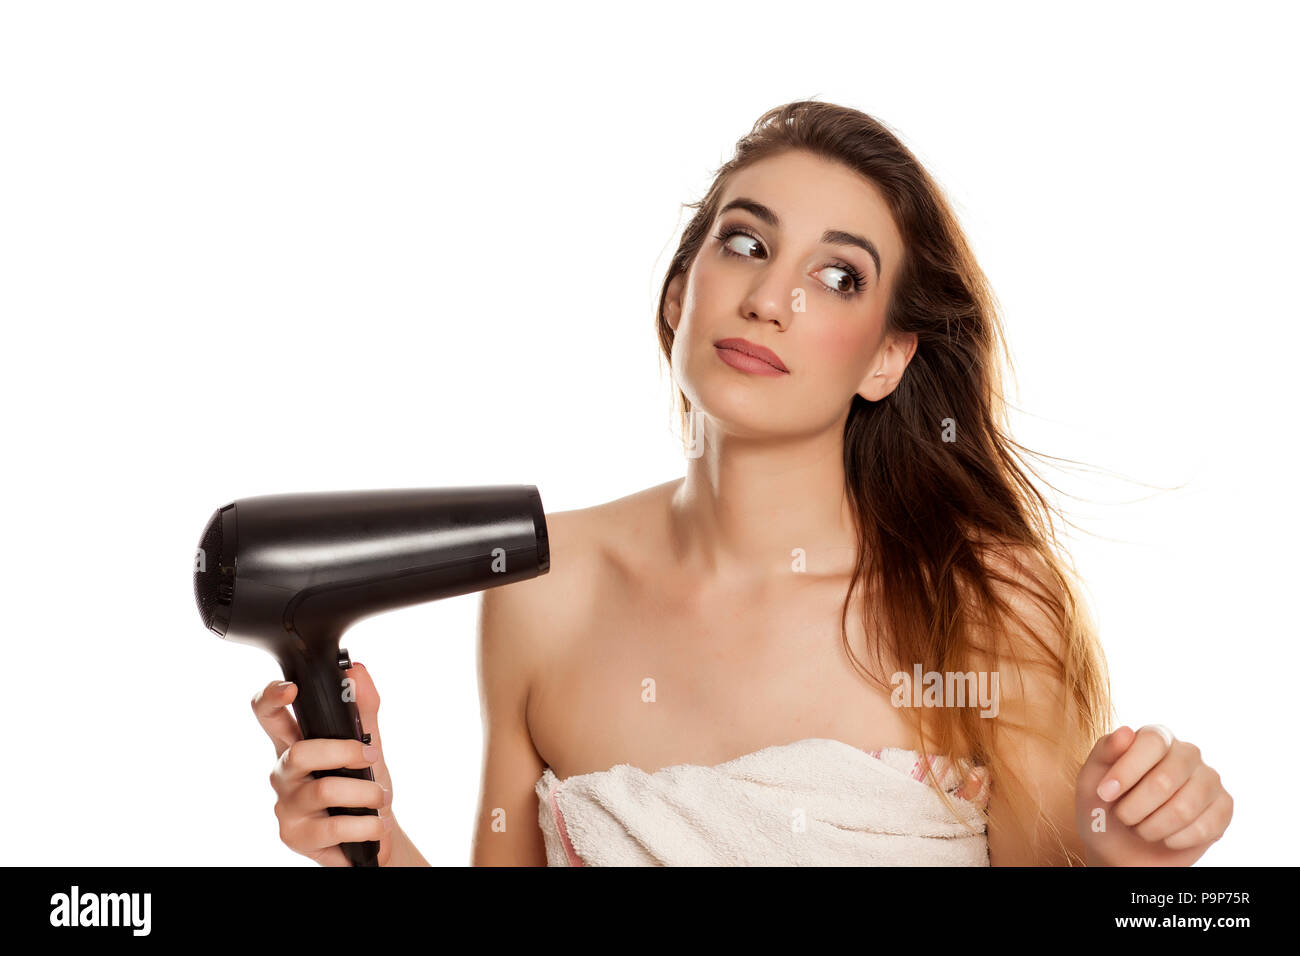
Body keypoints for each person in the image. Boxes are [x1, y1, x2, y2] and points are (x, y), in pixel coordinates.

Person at [252, 100, 1233, 866]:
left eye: (839, 276)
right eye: (747, 243)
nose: (770, 298)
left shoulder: (978, 598)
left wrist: (1130, 865)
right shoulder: (541, 589)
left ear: (887, 358)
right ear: (681, 293)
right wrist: (369, 833)